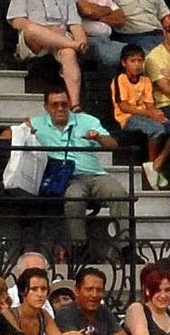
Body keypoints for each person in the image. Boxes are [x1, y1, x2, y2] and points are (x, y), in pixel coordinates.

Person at [18, 86, 123, 249]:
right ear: (46, 107)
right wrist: (23, 131)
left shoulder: (88, 121)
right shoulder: (36, 123)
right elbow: (7, 135)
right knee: (74, 199)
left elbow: (113, 144)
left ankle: (125, 246)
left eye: (64, 104)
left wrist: (99, 138)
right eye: (55, 105)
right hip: (66, 178)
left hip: (95, 174)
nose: (60, 108)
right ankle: (78, 247)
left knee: (120, 194)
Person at [6, 0, 88, 110]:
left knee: (69, 52)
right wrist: (47, 30)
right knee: (31, 29)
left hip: (61, 41)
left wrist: (82, 42)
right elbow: (17, 21)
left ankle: (75, 104)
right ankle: (70, 44)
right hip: (35, 42)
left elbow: (75, 25)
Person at [110, 44, 170, 185]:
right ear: (124, 63)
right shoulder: (120, 79)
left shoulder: (146, 81)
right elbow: (124, 106)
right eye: (133, 61)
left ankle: (156, 164)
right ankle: (150, 162)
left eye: (140, 61)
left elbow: (150, 104)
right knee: (156, 129)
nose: (137, 65)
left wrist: (157, 113)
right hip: (128, 118)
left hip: (146, 116)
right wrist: (150, 114)